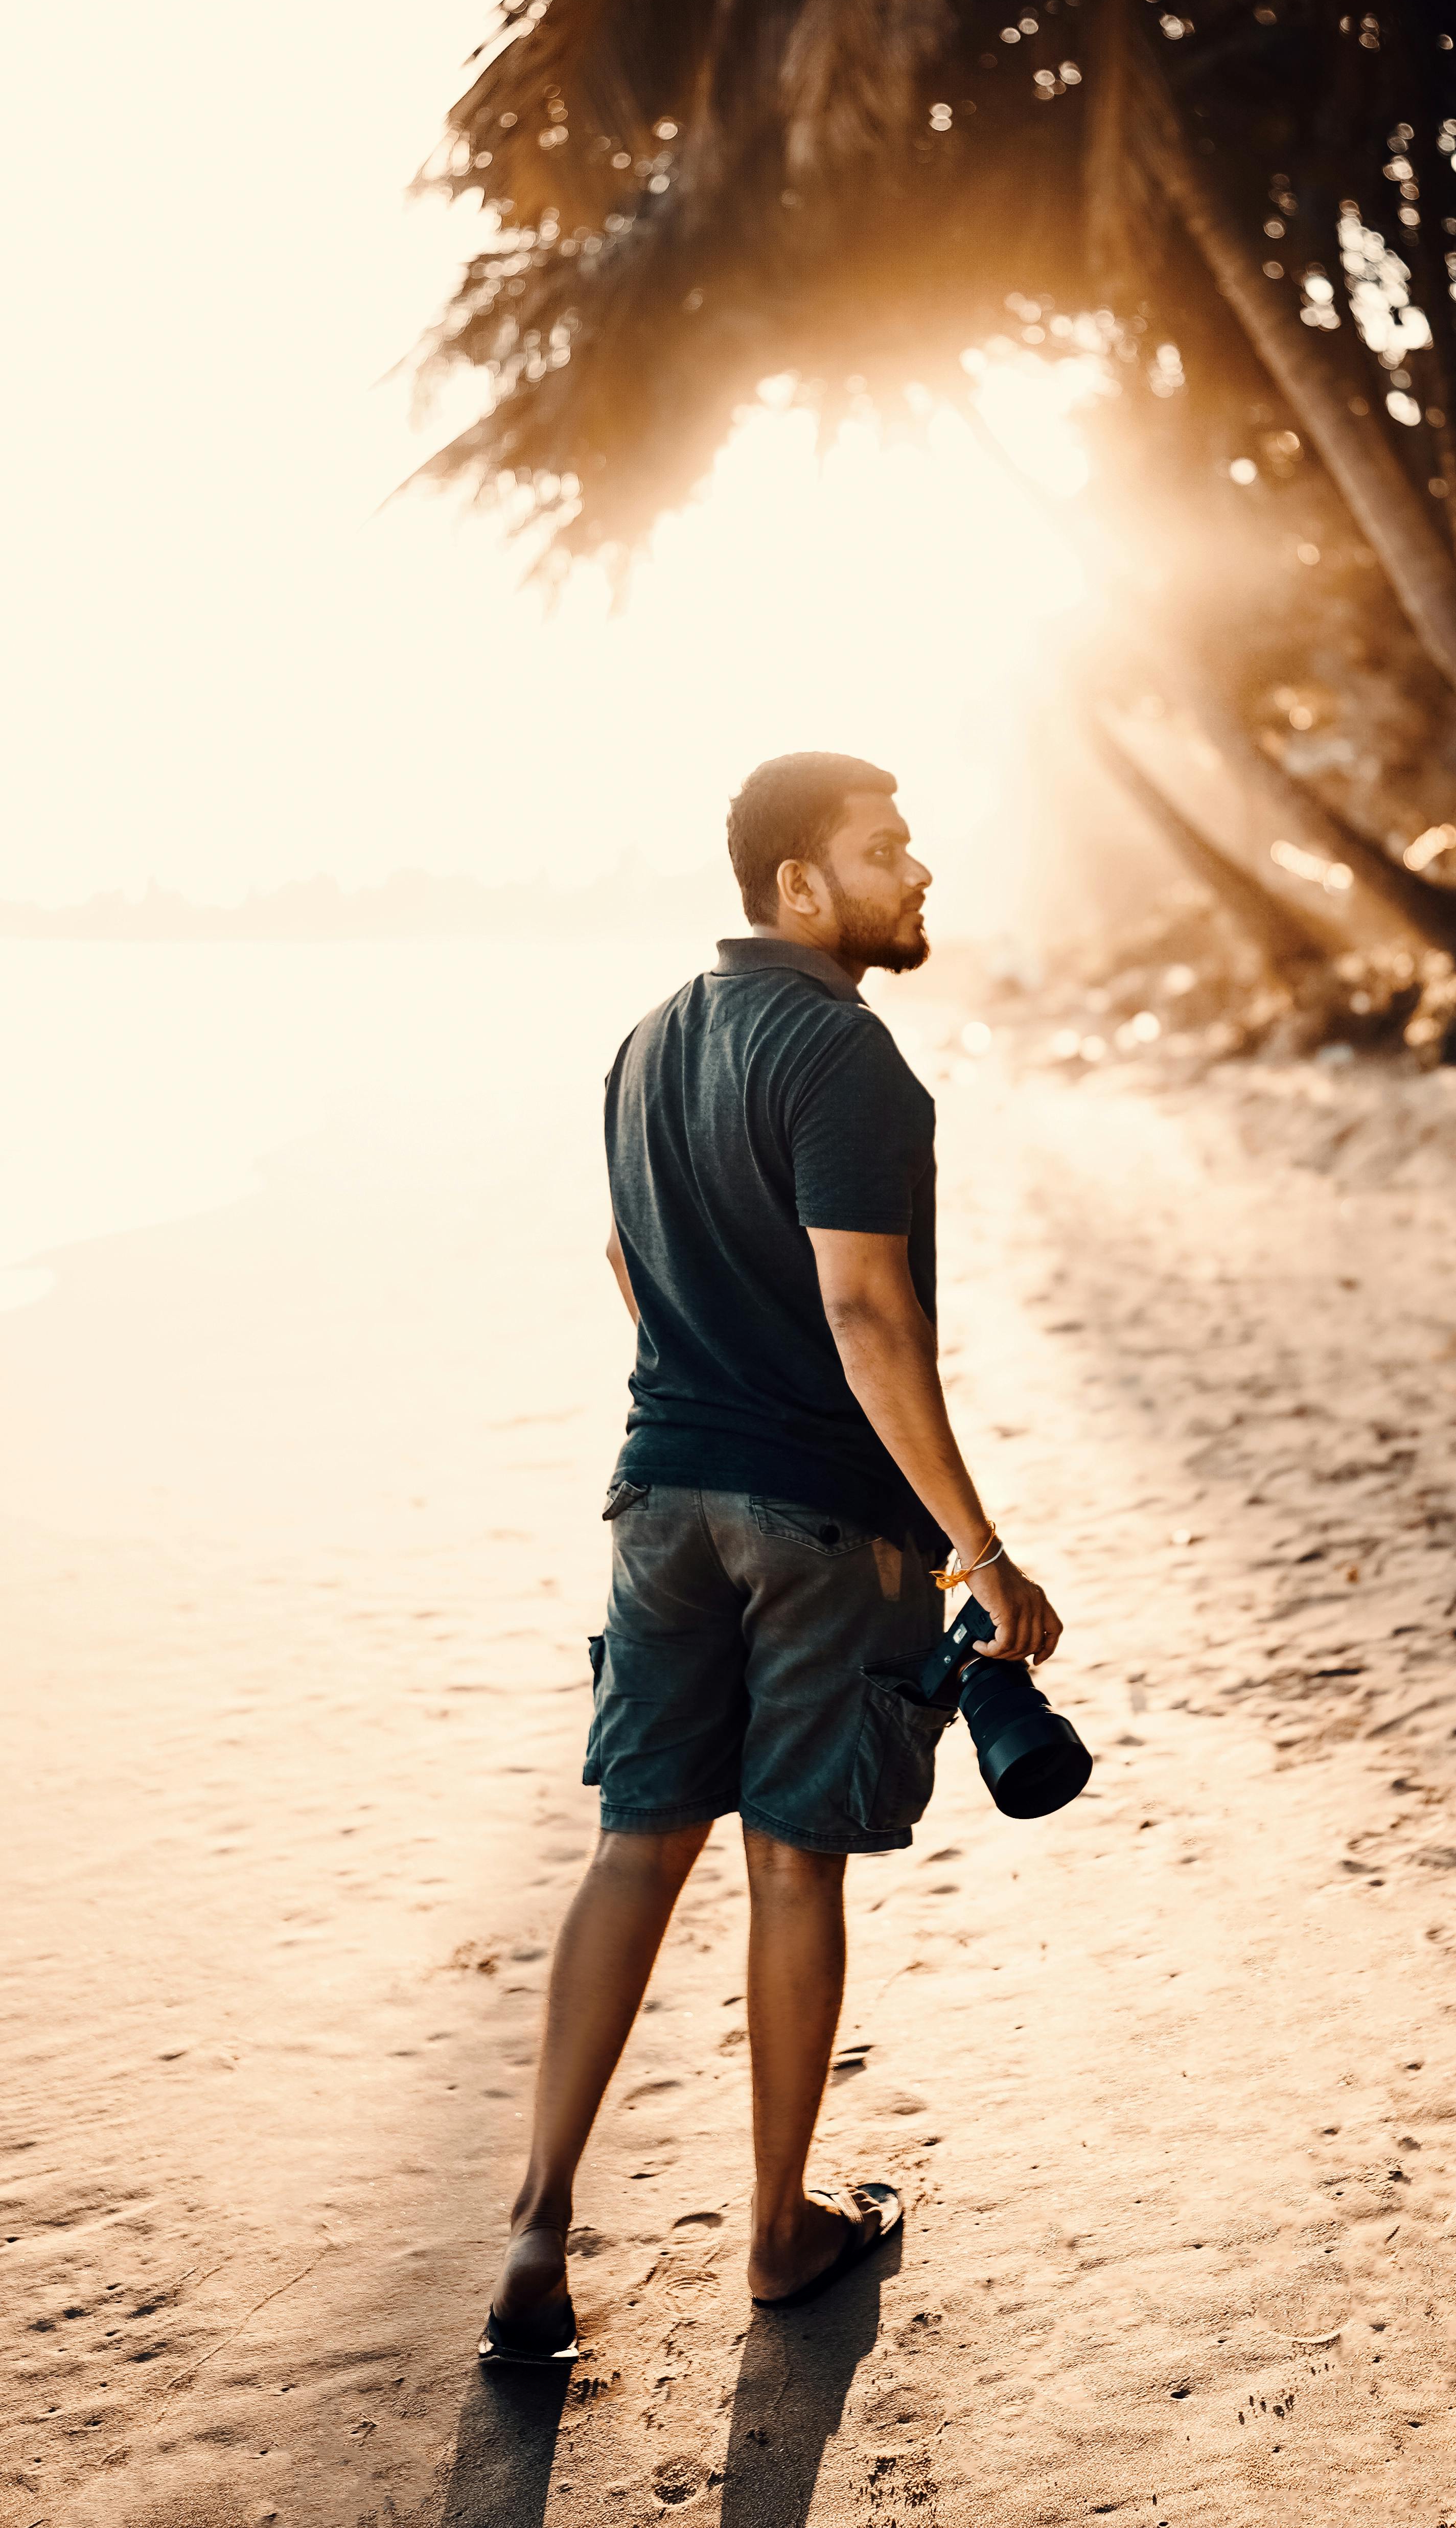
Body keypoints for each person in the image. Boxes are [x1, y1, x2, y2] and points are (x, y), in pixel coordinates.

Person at [480, 752, 1063, 2362]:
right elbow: (865, 1310)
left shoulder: (645, 1041)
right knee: (793, 1863)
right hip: (817, 1514)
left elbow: (624, 1255)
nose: (919, 870)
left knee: (634, 1848)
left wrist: (706, 1383)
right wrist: (980, 1551)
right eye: (885, 849)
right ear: (800, 887)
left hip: (660, 1495)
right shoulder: (845, 1054)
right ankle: (777, 2234)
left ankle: (535, 2228)